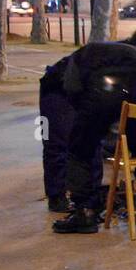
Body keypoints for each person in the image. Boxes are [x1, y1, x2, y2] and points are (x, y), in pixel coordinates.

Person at [52, 29, 136, 234]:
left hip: (99, 101)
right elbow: (73, 86)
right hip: (88, 95)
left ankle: (86, 211)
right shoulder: (111, 57)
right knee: (97, 146)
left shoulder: (131, 59)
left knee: (87, 149)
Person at [39, 51, 101, 213]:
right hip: (56, 87)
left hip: (82, 88)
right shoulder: (123, 58)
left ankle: (91, 195)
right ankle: (56, 195)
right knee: (57, 143)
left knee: (92, 142)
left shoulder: (134, 60)